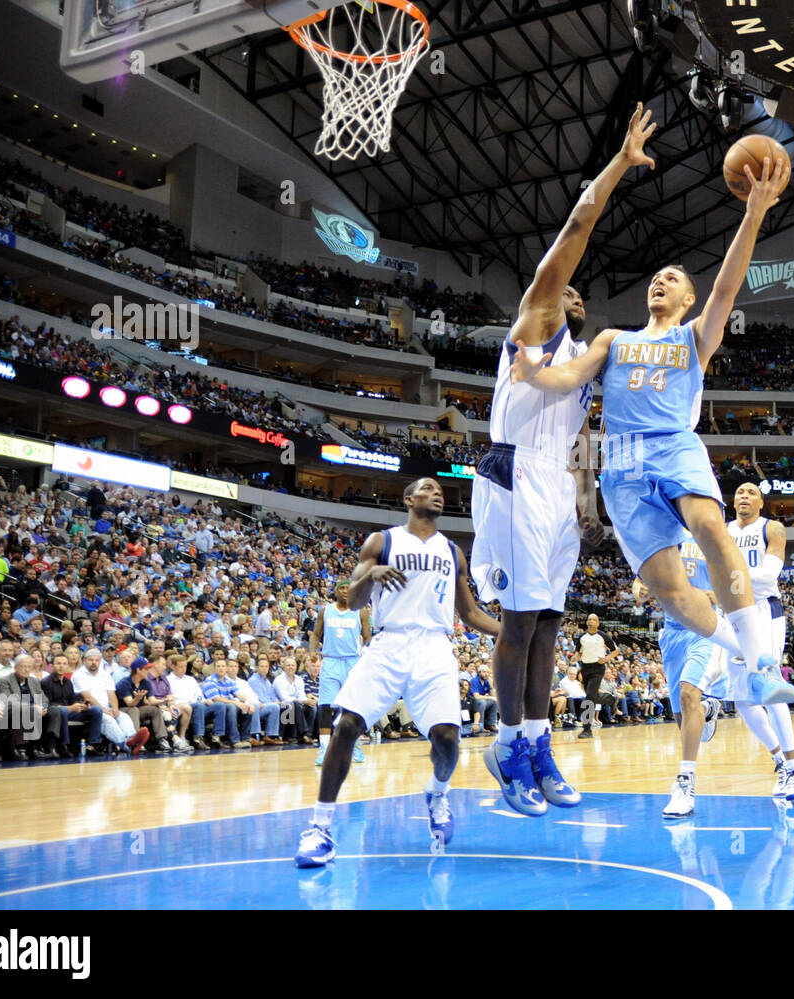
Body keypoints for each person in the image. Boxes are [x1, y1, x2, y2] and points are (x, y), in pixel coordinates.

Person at [511, 147, 794, 711]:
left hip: (673, 445)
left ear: (687, 299)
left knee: (710, 526)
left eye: (673, 278)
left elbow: (726, 290)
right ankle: (740, 655)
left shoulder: (693, 337)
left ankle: (763, 662)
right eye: (656, 277)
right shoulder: (614, 339)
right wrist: (535, 374)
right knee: (671, 593)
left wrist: (755, 212)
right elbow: (571, 375)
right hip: (620, 463)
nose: (660, 280)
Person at [469, 109, 658, 818]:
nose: (572, 294)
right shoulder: (533, 324)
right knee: (518, 623)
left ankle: (540, 741)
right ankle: (508, 745)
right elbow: (575, 234)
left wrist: (587, 504)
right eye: (564, 289)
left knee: (549, 623)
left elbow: (583, 446)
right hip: (512, 472)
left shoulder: (582, 366)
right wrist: (616, 166)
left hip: (555, 490)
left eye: (580, 295)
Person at [295, 479, 500, 866]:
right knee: (346, 726)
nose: (437, 492)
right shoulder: (381, 541)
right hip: (388, 644)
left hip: (435, 646)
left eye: (440, 490)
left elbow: (469, 613)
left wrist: (512, 632)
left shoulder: (453, 551)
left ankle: (438, 793)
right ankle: (320, 827)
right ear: (408, 500)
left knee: (447, 738)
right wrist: (369, 576)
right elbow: (354, 601)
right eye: (427, 487)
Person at [724, 481, 794, 800]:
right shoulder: (721, 529)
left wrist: (726, 574)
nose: (744, 496)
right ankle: (779, 761)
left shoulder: (772, 528)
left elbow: (767, 575)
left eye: (751, 493)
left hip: (762, 611)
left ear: (761, 503)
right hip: (731, 613)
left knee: (770, 690)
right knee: (742, 699)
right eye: (740, 492)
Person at [637, 532, 723, 819]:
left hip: (704, 628)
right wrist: (640, 586)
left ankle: (685, 784)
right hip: (673, 633)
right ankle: (707, 709)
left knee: (688, 694)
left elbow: (732, 585)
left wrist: (712, 596)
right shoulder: (662, 535)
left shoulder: (711, 534)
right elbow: (645, 576)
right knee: (681, 718)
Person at [308, 580, 371, 766]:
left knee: (352, 708)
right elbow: (316, 634)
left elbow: (367, 636)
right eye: (341, 588)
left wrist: (367, 651)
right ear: (335, 591)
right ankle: (324, 749)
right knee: (326, 708)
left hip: (352, 661)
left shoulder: (360, 611)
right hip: (331, 661)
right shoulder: (325, 611)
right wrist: (312, 651)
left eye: (348, 589)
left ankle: (355, 745)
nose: (345, 591)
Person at [576, 614, 618, 738]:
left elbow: (616, 650)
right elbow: (578, 653)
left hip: (598, 668)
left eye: (594, 619)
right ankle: (610, 699)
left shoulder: (603, 636)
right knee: (591, 696)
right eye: (589, 619)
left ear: (598, 623)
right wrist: (575, 658)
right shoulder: (582, 637)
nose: (591, 621)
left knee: (589, 697)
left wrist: (606, 659)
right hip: (585, 668)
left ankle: (587, 729)